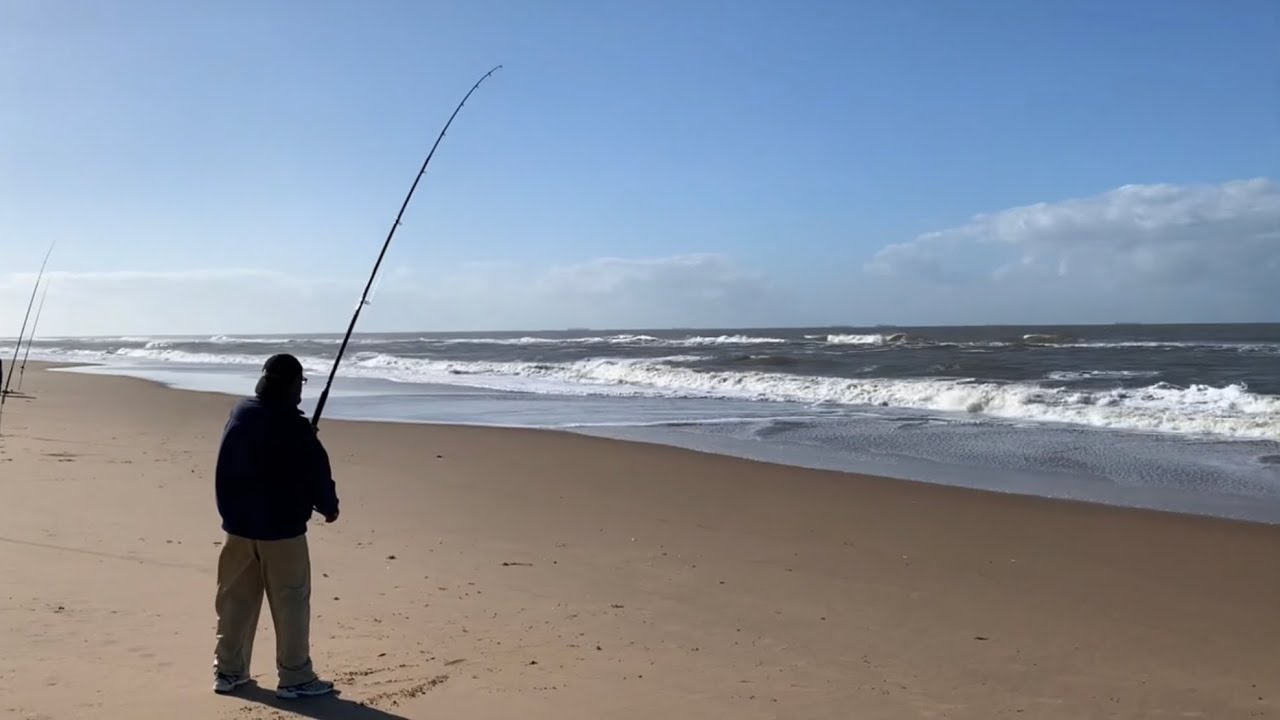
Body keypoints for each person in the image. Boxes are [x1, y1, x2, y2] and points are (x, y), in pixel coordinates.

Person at [212, 353, 340, 698]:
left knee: (235, 602)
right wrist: (330, 507)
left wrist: (301, 438)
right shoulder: (295, 429)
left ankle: (228, 672)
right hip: (282, 533)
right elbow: (317, 473)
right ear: (292, 386)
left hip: (236, 529)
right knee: (291, 604)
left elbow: (268, 448)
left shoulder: (240, 412)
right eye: (300, 384)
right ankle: (295, 676)